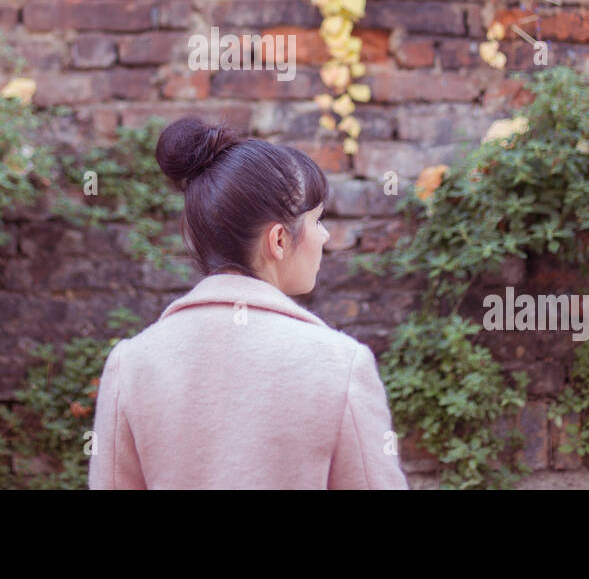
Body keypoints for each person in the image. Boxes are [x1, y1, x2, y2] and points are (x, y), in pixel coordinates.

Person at [87, 116, 409, 489]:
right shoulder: (340, 364)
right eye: (317, 220)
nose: (324, 237)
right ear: (278, 241)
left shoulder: (131, 364)